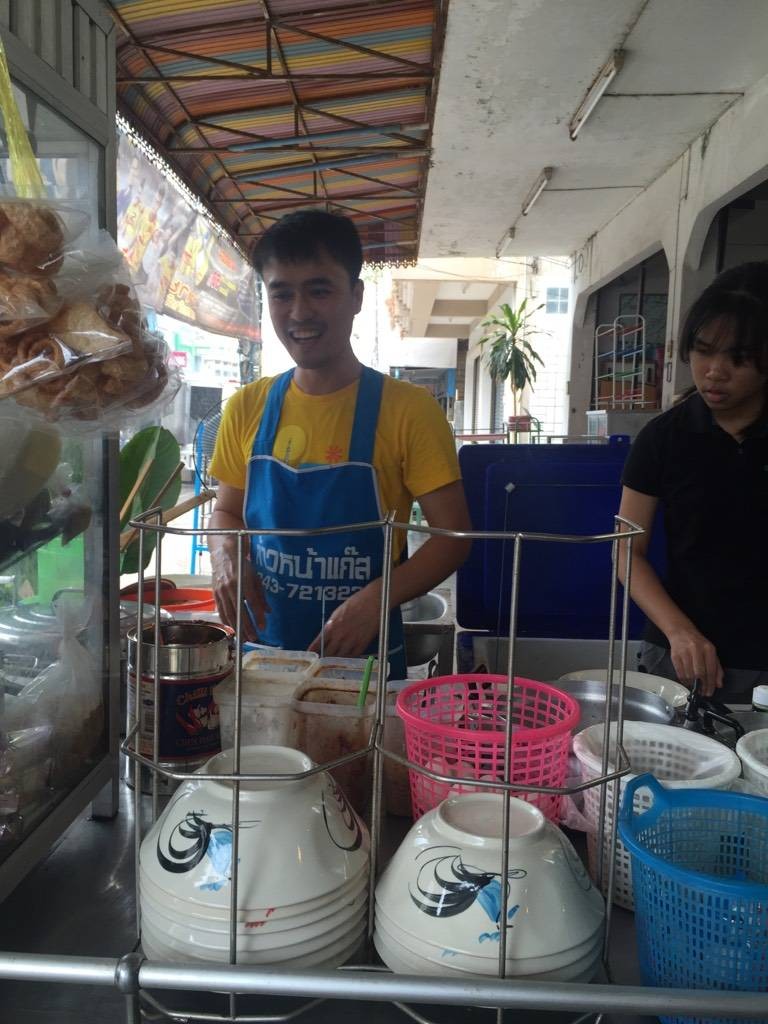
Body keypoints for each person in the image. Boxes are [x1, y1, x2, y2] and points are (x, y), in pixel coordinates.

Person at [207, 210, 471, 678]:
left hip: (362, 665)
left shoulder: (408, 410)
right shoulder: (248, 406)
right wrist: (227, 557)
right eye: (281, 293)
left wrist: (376, 598)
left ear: (356, 296)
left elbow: (452, 539)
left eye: (319, 290)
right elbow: (226, 511)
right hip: (262, 660)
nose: (300, 312)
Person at [618, 261, 768, 701]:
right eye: (703, 351)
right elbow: (627, 549)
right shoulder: (664, 438)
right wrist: (680, 631)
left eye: (738, 358)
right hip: (681, 657)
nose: (714, 371)